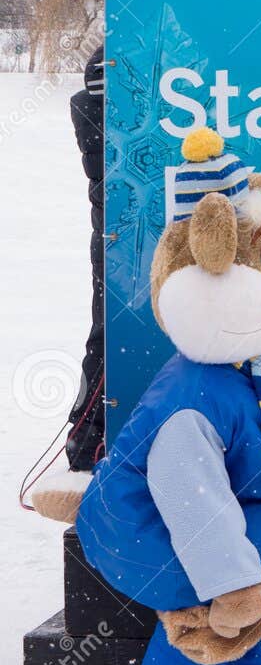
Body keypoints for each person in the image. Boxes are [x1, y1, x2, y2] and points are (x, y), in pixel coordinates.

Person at [64, 47, 106, 475]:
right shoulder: (96, 107)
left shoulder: (90, 97)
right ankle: (88, 434)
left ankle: (87, 431)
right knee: (107, 335)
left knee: (104, 334)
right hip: (114, 239)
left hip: (110, 237)